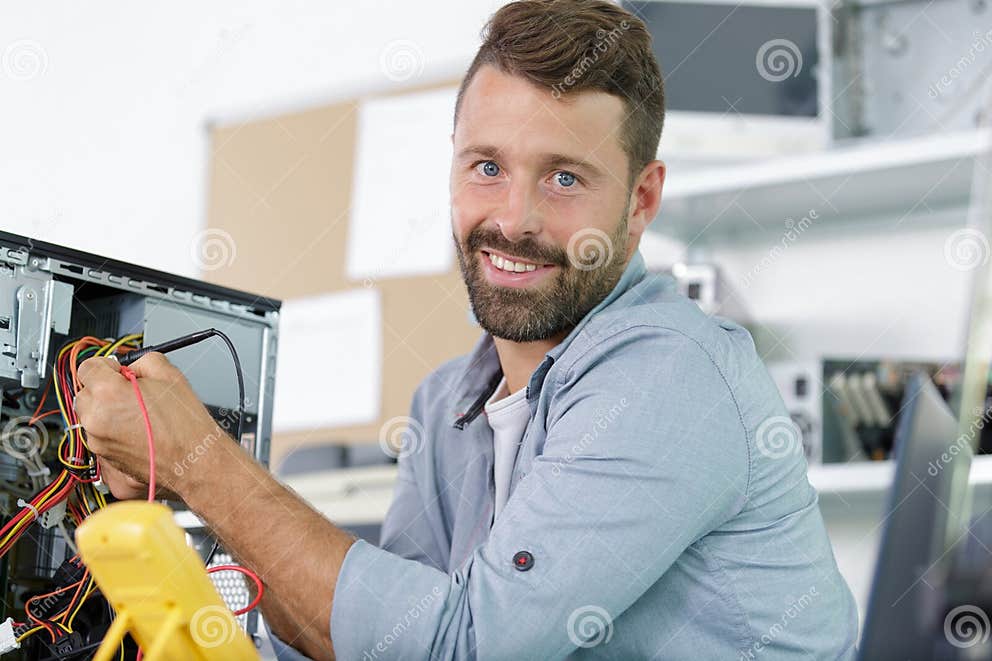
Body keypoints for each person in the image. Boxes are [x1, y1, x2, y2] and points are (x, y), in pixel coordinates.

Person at [74, 1, 859, 658]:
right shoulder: (447, 404)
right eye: (487, 166)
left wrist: (197, 460)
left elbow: (464, 645)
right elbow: (376, 633)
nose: (513, 220)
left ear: (642, 200)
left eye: (565, 177)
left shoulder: (671, 376)